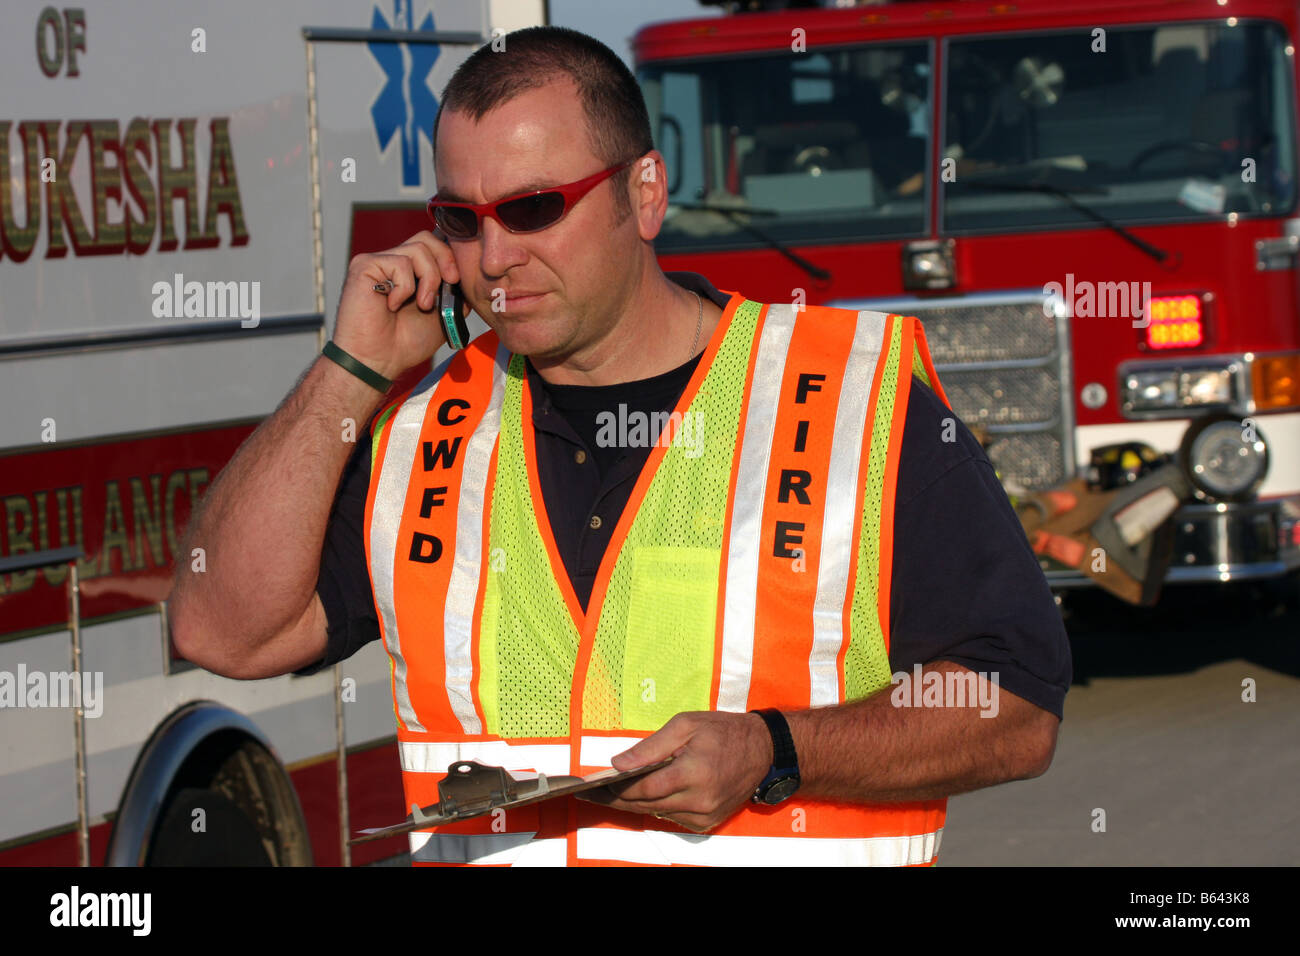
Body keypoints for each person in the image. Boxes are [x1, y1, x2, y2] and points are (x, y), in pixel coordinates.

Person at [169, 26, 1071, 867]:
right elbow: (221, 630)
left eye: (532, 209)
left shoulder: (851, 399)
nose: (491, 258)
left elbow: (1017, 708)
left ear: (645, 193)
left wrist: (779, 749)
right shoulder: (421, 432)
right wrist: (349, 372)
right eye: (459, 218)